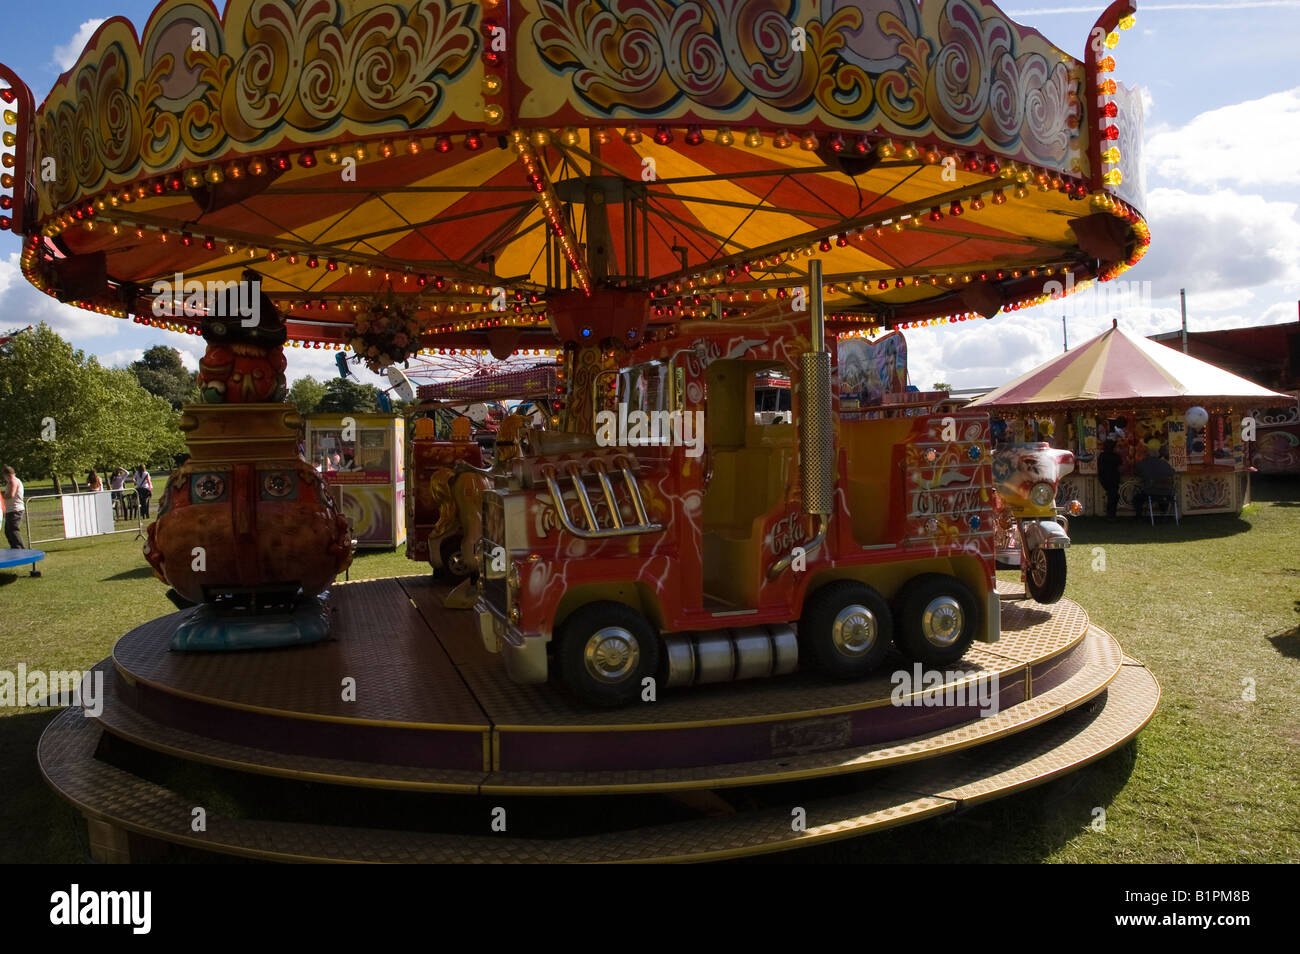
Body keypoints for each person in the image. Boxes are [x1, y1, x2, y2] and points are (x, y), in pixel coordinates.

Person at [1133, 447, 1176, 520]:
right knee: (1161, 494)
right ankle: (1163, 512)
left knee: (1136, 498)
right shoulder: (1164, 463)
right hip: (1167, 493)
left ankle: (1139, 517)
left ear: (1147, 455)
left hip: (1150, 492)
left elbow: (1136, 473)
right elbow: (1172, 472)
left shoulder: (1143, 463)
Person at [1097, 439, 1122, 520]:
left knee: (1112, 496)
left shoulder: (1102, 455)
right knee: (1113, 497)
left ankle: (1110, 515)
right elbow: (1120, 464)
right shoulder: (1114, 456)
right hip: (1113, 479)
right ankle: (1111, 515)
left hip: (1104, 479)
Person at [1, 466, 25, 550]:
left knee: (13, 530)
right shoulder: (13, 481)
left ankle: (19, 549)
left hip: (15, 510)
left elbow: (11, 495)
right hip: (11, 510)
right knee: (8, 531)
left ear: (6, 475)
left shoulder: (13, 481)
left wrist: (2, 495)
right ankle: (14, 548)